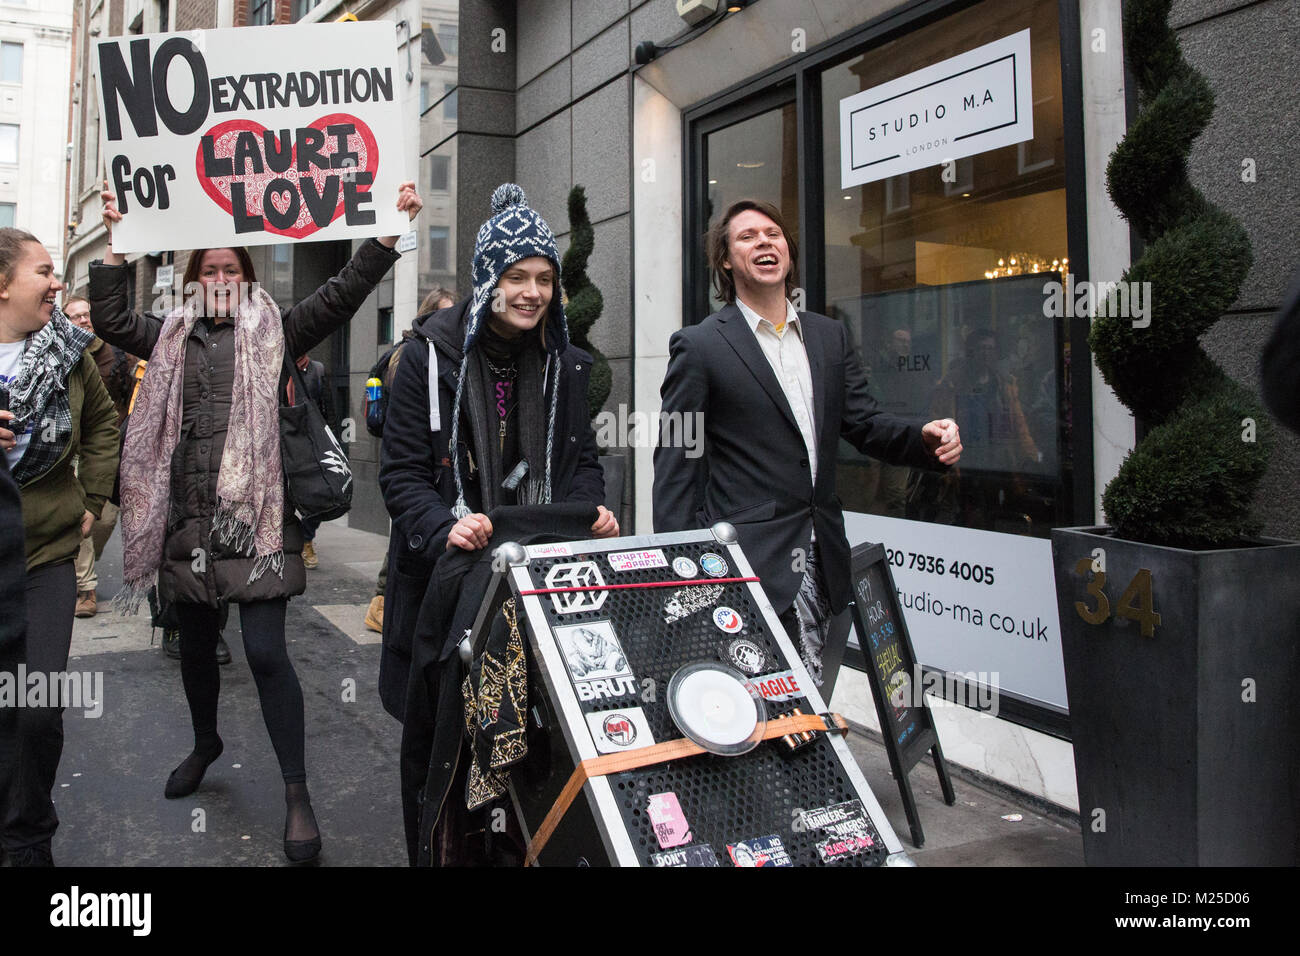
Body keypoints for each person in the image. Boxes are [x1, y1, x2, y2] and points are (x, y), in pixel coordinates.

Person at [91, 180, 423, 863]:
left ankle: (297, 793)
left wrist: (388, 237)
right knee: (196, 649)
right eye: (208, 270)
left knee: (268, 653)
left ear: (246, 279)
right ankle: (206, 740)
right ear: (194, 280)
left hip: (264, 521)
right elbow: (111, 320)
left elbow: (341, 294)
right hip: (191, 524)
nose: (219, 279)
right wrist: (119, 246)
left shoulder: (279, 330)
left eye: (230, 270)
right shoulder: (172, 337)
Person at [378, 184, 616, 863]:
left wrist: (591, 509)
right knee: (443, 754)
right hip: (444, 589)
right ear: (489, 278)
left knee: (525, 740)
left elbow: (582, 464)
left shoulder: (568, 365)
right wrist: (440, 525)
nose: (533, 292)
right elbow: (401, 475)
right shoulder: (427, 358)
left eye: (543, 278)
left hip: (536, 592)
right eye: (518, 277)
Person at [653, 199, 961, 687]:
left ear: (788, 253)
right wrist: (684, 571)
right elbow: (676, 462)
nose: (765, 243)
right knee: (759, 715)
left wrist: (922, 440)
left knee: (813, 707)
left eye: (773, 234)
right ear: (727, 261)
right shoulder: (701, 345)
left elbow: (864, 423)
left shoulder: (828, 336)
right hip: (745, 567)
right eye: (748, 236)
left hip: (824, 562)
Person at [0, 228, 121, 865]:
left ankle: (27, 835)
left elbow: (102, 423)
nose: (55, 282)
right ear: (2, 284)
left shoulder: (68, 352)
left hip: (45, 556)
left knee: (37, 706)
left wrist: (92, 500)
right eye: (44, 271)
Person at [364, 286, 456, 632]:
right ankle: (381, 604)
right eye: (442, 313)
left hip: (416, 454)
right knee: (405, 533)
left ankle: (383, 603)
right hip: (406, 454)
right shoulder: (411, 356)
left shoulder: (410, 352)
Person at [63, 294, 138, 618]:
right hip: (71, 452)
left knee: (104, 519)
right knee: (79, 517)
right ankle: (85, 588)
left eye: (86, 314)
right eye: (74, 316)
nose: (82, 320)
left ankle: (76, 569)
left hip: (111, 449)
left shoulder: (117, 354)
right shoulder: (63, 355)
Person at [294, 351, 334, 570]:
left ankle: (306, 537)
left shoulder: (317, 370)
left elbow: (329, 409)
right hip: (283, 444)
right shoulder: (277, 365)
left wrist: (333, 444)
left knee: (320, 498)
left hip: (313, 444)